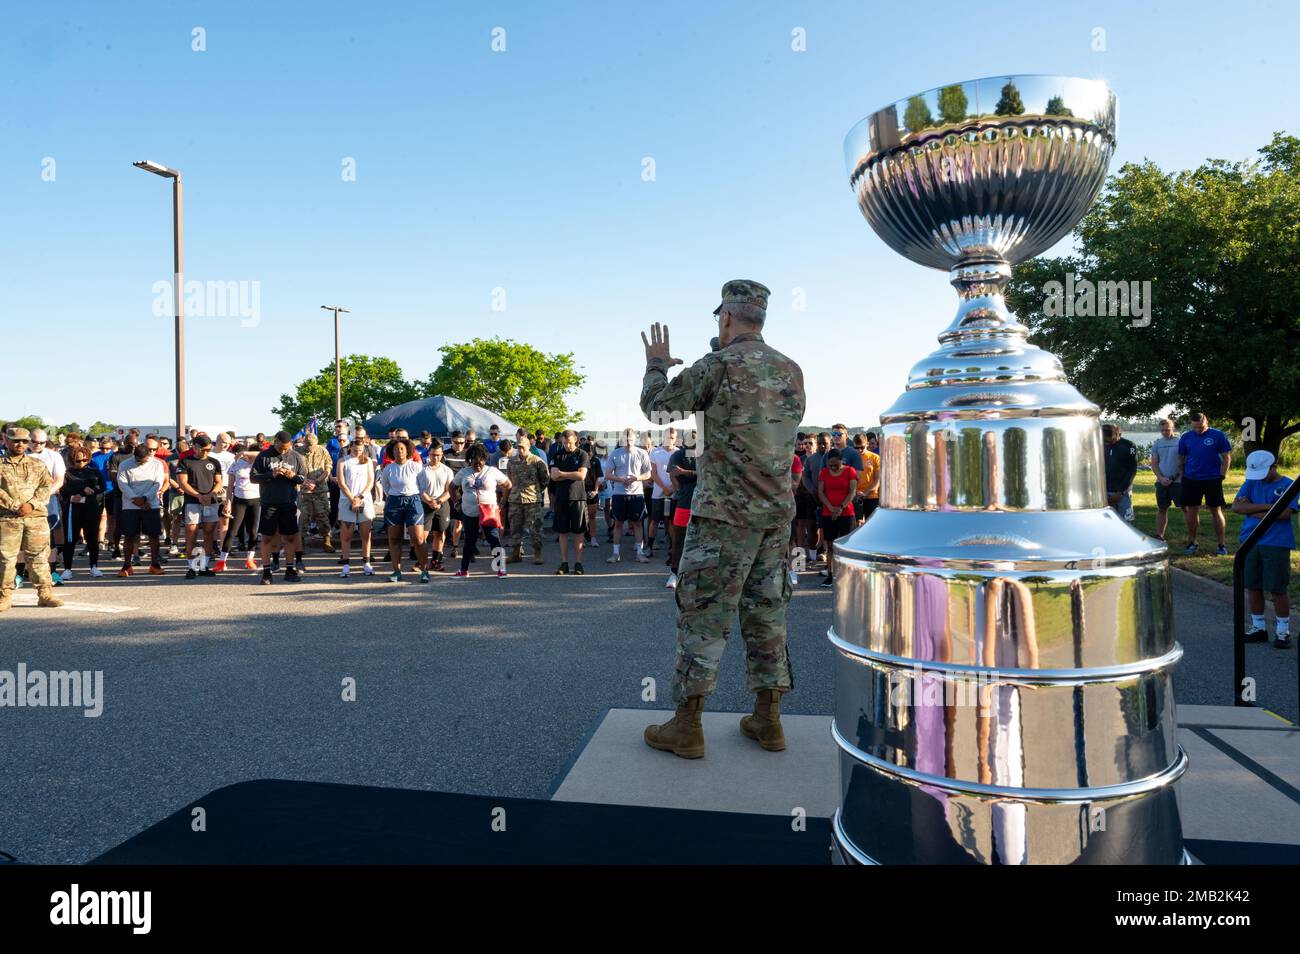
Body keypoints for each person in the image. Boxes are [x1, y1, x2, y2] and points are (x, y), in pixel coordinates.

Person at [640, 279, 805, 758]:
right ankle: (768, 720)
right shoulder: (791, 370)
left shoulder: (716, 366)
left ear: (726, 318)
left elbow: (658, 409)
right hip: (775, 517)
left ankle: (688, 726)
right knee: (768, 614)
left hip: (722, 518)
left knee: (704, 617)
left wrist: (656, 367)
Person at [1232, 450, 1297, 649]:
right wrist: (1270, 507)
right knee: (1252, 585)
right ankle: (1258, 627)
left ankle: (1283, 631)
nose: (1259, 478)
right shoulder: (1252, 481)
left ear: (1274, 467)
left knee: (1277, 588)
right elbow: (1236, 507)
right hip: (1250, 540)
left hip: (1276, 542)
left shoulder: (1288, 485)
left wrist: (1252, 509)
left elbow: (1284, 514)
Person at [0, 427, 62, 610]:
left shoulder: (37, 464)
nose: (20, 444)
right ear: (6, 441)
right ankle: (4, 595)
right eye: (15, 440)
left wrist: (32, 505)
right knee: (6, 558)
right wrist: (13, 505)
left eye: (24, 441)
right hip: (7, 518)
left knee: (39, 556)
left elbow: (46, 486)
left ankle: (45, 593)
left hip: (35, 518)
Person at [251, 431, 307, 584]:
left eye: (287, 447)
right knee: (267, 538)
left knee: (290, 537)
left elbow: (302, 478)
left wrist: (292, 476)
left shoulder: (295, 456)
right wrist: (271, 474)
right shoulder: (263, 456)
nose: (284, 450)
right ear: (275, 442)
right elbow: (253, 478)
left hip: (288, 503)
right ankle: (267, 572)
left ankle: (290, 569)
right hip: (269, 503)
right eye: (282, 447)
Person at [451, 442, 511, 578]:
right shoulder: (464, 472)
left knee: (494, 539)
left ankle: (500, 569)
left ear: (485, 459)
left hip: (488, 511)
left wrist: (503, 500)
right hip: (469, 511)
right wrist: (456, 503)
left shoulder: (492, 471)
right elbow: (451, 487)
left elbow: (508, 484)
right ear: (469, 460)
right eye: (474, 462)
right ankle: (464, 570)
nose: (478, 465)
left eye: (481, 462)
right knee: (469, 541)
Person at [1178, 412, 1232, 555]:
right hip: (1191, 479)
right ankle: (1192, 542)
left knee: (1216, 510)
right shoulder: (1186, 437)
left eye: (1200, 427)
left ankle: (1221, 544)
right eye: (1195, 427)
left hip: (1213, 479)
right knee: (1192, 511)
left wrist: (1223, 474)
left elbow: (1226, 456)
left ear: (1206, 422)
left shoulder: (1218, 435)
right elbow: (1181, 458)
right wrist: (1183, 475)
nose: (1198, 430)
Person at [377, 437, 428, 582]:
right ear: (391, 452)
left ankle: (425, 570)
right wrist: (396, 497)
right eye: (396, 449)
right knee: (394, 539)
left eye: (402, 449)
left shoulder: (416, 467)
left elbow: (423, 485)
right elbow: (386, 488)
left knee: (418, 538)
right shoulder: (388, 469)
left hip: (413, 501)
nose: (399, 452)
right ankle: (396, 571)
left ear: (407, 451)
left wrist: (412, 495)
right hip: (394, 502)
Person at [174, 434, 224, 579]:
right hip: (192, 502)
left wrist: (211, 494)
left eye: (209, 449)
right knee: (191, 533)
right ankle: (191, 567)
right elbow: (183, 483)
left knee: (209, 533)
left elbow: (219, 481)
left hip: (210, 501)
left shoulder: (214, 462)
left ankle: (204, 566)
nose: (206, 452)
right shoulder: (185, 461)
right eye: (203, 449)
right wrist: (198, 496)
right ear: (195, 447)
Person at [116, 442, 167, 577]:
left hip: (151, 504)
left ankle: (155, 564)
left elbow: (158, 483)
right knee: (129, 536)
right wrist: (135, 499)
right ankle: (127, 565)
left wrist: (145, 498)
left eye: (142, 460)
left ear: (149, 455)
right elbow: (122, 484)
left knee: (154, 535)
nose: (140, 462)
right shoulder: (124, 465)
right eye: (137, 460)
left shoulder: (157, 464)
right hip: (130, 505)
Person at [605, 427, 652, 563]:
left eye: (631, 439)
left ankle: (640, 552)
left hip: (637, 493)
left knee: (638, 524)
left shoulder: (642, 453)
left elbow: (648, 474)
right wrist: (620, 479)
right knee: (618, 523)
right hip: (619, 493)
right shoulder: (615, 453)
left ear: (635, 439)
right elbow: (608, 474)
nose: (629, 442)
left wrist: (636, 478)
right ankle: (615, 553)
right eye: (626, 439)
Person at [549, 429, 590, 575]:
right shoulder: (557, 454)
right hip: (561, 498)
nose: (567, 445)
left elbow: (581, 475)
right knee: (563, 532)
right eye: (565, 443)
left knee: (579, 532)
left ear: (576, 440)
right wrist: (569, 474)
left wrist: (562, 474)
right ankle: (564, 563)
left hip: (578, 497)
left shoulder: (582, 454)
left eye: (570, 443)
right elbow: (553, 477)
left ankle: (578, 563)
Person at [28, 429, 66, 584]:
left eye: (42, 442)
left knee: (49, 537)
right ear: (28, 440)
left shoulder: (54, 456)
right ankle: (19, 573)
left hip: (47, 500)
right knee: (22, 538)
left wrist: (44, 495)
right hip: (23, 501)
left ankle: (52, 571)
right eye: (35, 441)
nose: (38, 445)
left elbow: (59, 479)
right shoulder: (19, 455)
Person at [506, 434, 548, 565]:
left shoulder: (537, 461)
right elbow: (510, 478)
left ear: (529, 447)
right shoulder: (512, 462)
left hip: (532, 500)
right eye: (519, 447)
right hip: (515, 499)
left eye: (523, 447)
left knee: (535, 527)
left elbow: (545, 480)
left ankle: (537, 553)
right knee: (514, 528)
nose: (521, 450)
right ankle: (516, 553)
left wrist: (536, 492)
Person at [817, 449, 857, 587]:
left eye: (835, 464)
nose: (833, 467)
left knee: (846, 546)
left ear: (842, 461)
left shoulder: (849, 471)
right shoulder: (824, 472)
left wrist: (840, 507)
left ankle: (848, 575)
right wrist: (830, 507)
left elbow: (852, 491)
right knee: (830, 545)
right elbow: (821, 492)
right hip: (828, 513)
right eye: (830, 465)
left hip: (846, 513)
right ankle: (830, 574)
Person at [336, 437, 376, 577]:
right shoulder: (342, 461)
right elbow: (341, 482)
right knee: (346, 535)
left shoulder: (368, 461)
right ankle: (346, 564)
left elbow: (370, 481)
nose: (358, 452)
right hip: (347, 499)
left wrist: (360, 497)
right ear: (350, 447)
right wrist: (352, 498)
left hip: (364, 499)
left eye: (360, 450)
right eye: (355, 450)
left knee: (366, 533)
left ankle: (366, 562)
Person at [219, 443, 262, 572]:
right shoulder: (236, 464)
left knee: (253, 531)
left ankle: (249, 559)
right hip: (239, 501)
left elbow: (260, 454)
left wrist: (244, 453)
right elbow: (230, 486)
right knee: (232, 531)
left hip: (255, 500)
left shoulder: (260, 463)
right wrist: (228, 503)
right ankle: (222, 561)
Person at [664, 440, 697, 589]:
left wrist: (684, 473)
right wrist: (680, 489)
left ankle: (695, 575)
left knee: (702, 541)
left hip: (704, 504)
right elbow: (673, 475)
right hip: (683, 503)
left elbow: (705, 475)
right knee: (678, 540)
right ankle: (674, 573)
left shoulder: (705, 454)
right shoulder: (678, 455)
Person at [417, 442, 454, 573]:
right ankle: (421, 560)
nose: (436, 458)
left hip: (442, 504)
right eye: (433, 455)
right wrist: (430, 502)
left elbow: (449, 490)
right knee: (423, 535)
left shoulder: (447, 470)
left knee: (440, 532)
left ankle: (436, 560)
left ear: (442, 454)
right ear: (429, 454)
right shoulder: (422, 470)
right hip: (426, 504)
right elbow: (420, 490)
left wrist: (439, 501)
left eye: (438, 455)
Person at [299, 433, 335, 556]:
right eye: (308, 445)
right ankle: (300, 543)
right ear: (304, 443)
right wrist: (305, 482)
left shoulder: (323, 451)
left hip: (320, 489)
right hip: (304, 490)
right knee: (304, 517)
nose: (311, 448)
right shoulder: (297, 452)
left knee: (323, 515)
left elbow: (328, 468)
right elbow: (293, 470)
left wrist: (317, 481)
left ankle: (327, 541)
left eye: (313, 445)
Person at [1150, 417, 1183, 542]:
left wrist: (1173, 477)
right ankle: (1160, 535)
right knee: (1162, 508)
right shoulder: (1157, 444)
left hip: (1178, 482)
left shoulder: (1180, 442)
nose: (1165, 432)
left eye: (1167, 430)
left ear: (1173, 428)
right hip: (1161, 482)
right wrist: (1161, 478)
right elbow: (1154, 463)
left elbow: (1183, 463)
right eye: (1163, 430)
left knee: (1185, 508)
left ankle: (1191, 537)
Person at [647, 428, 677, 557]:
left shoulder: (678, 452)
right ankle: (649, 547)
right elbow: (653, 473)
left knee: (672, 521)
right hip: (658, 492)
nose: (669, 439)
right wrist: (664, 487)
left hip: (674, 492)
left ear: (675, 438)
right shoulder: (655, 452)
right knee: (655, 520)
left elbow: (679, 474)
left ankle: (673, 548)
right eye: (667, 437)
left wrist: (673, 488)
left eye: (672, 437)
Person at [1102, 423, 1138, 522]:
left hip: (1123, 490)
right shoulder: (1099, 445)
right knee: (1106, 521)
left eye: (1111, 440)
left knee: (1126, 522)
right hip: (1104, 490)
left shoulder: (1129, 446)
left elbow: (1132, 470)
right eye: (1105, 441)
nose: (1107, 443)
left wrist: (1120, 492)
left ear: (1118, 434)